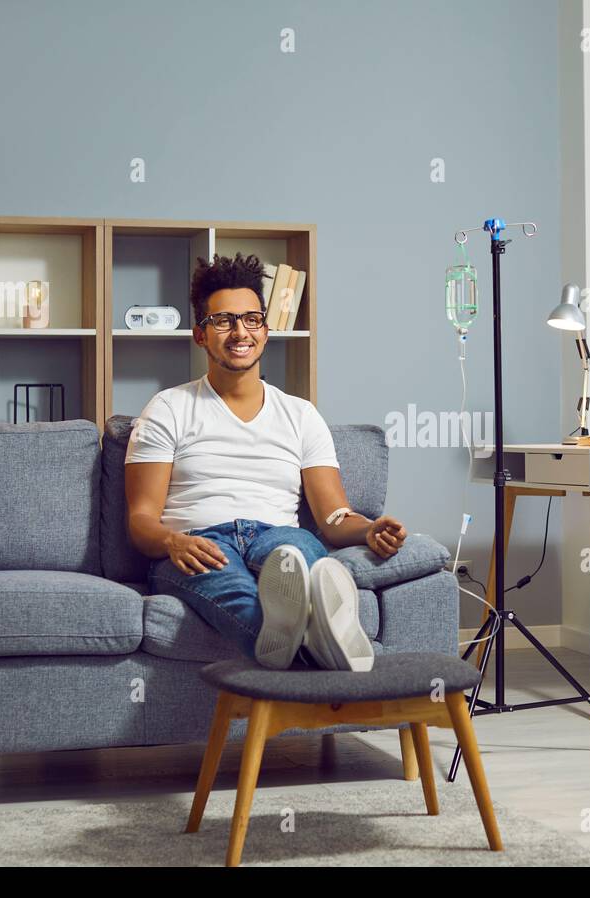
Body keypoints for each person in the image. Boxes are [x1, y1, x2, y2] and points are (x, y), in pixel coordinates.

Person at [123, 252, 407, 671]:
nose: (240, 332)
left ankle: (307, 633)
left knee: (299, 553)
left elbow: (332, 517)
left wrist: (369, 530)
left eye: (251, 319)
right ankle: (331, 653)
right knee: (239, 593)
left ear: (266, 330)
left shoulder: (301, 414)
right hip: (201, 543)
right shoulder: (168, 408)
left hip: (276, 538)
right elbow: (140, 519)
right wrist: (172, 542)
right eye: (223, 321)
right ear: (201, 335)